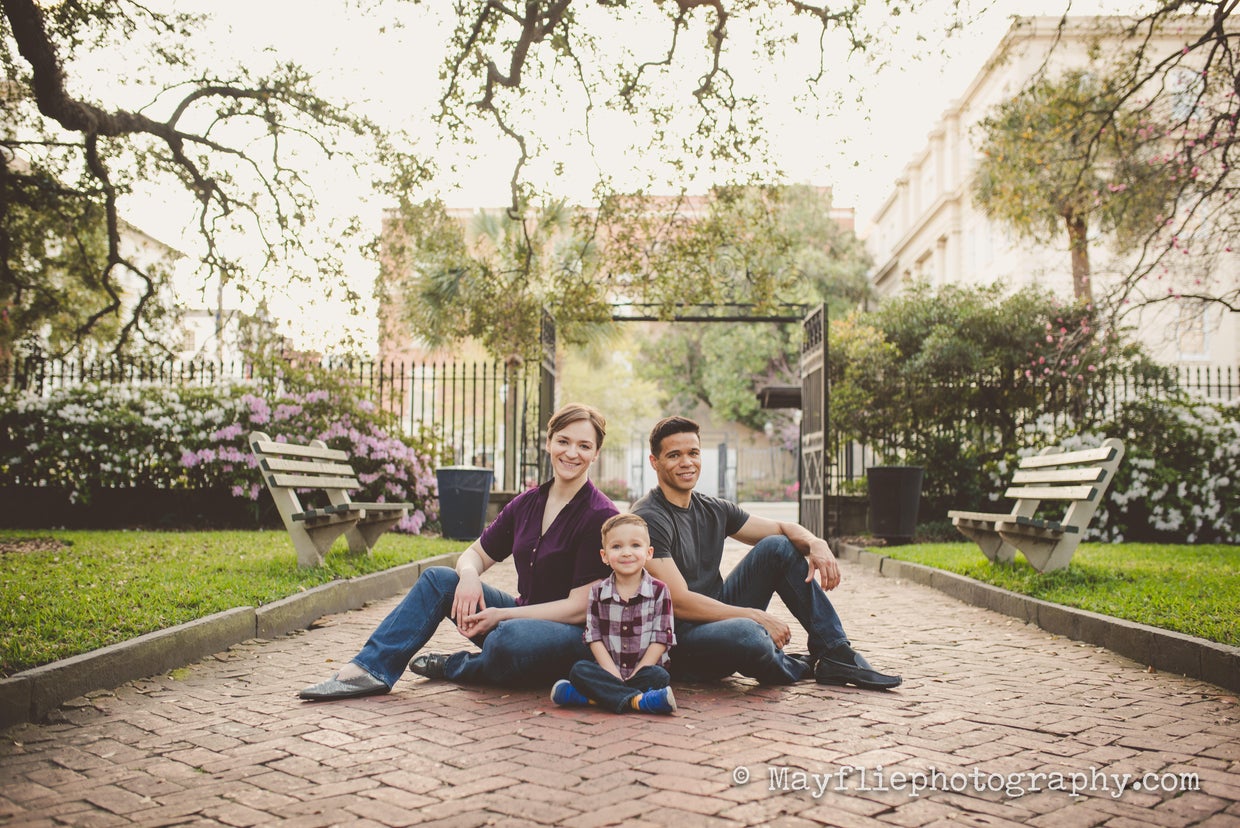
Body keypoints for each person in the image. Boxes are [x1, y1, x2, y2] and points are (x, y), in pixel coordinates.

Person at [300, 403, 618, 700]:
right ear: (548, 443)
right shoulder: (527, 503)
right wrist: (468, 575)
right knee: (439, 581)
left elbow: (579, 608)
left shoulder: (599, 515)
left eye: (584, 446)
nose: (572, 453)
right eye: (563, 441)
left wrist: (502, 615)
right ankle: (370, 669)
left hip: (573, 636)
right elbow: (474, 554)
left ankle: (456, 665)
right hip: (518, 617)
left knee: (509, 640)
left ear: (596, 454)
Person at [631, 415, 901, 690]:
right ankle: (796, 666)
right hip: (680, 639)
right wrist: (753, 615)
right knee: (749, 634)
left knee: (777, 547)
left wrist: (815, 543)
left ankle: (835, 651)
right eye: (674, 455)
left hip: (719, 617)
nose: (687, 462)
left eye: (693, 453)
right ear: (655, 462)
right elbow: (679, 601)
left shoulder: (713, 508)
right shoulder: (649, 517)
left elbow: (782, 529)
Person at [550, 513, 677, 714]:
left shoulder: (660, 591)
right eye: (617, 547)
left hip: (644, 670)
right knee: (579, 670)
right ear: (604, 556)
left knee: (660, 677)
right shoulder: (598, 592)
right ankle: (638, 701)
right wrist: (614, 676)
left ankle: (588, 698)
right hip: (607, 671)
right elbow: (594, 638)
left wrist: (637, 673)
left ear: (649, 552)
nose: (627, 552)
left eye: (635, 545)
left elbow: (661, 639)